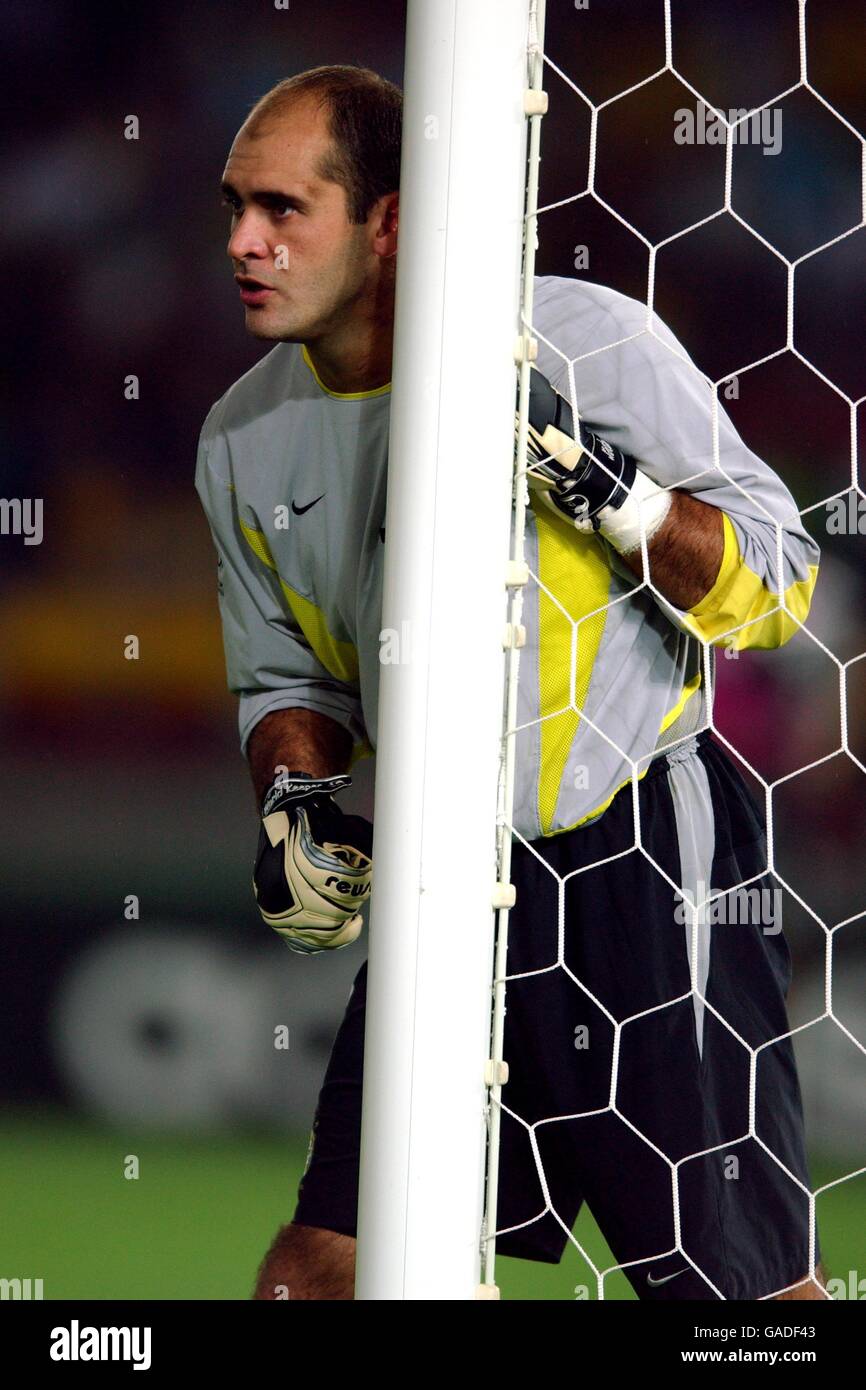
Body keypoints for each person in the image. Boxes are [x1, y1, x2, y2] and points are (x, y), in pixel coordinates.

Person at [196, 64, 826, 1301]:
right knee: (320, 1273)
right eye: (231, 208)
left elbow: (780, 579)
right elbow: (286, 674)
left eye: (280, 209)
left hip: (636, 848)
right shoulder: (241, 434)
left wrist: (623, 502)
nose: (242, 244)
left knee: (729, 1299)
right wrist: (295, 804)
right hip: (449, 877)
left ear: (386, 222)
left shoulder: (586, 339)